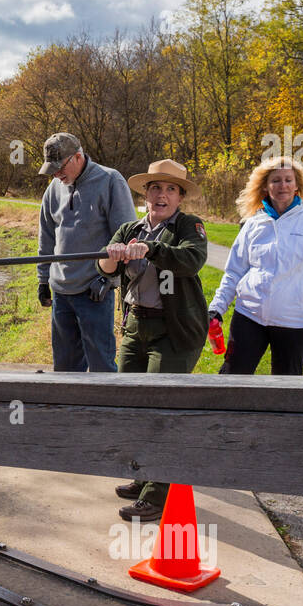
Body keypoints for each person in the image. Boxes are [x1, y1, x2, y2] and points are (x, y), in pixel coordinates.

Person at [97, 159, 209, 521]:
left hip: (173, 332)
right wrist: (112, 257)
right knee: (132, 405)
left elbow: (191, 261)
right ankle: (143, 477)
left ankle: (157, 497)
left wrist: (152, 250)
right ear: (146, 194)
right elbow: (104, 267)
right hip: (135, 328)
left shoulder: (189, 226)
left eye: (170, 189)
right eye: (155, 188)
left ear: (179, 198)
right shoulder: (130, 228)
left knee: (161, 411)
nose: (161, 195)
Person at [209, 156, 303, 376]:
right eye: (276, 180)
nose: (283, 185)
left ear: (297, 185)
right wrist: (217, 308)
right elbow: (234, 271)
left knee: (286, 386)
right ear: (265, 186)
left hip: (295, 320)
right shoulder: (253, 223)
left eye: (288, 180)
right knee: (232, 376)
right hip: (249, 315)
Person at [37, 132, 136, 373]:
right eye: (52, 170)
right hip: (61, 291)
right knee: (65, 367)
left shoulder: (110, 181)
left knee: (101, 365)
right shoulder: (54, 189)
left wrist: (107, 278)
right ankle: (70, 411)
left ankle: (105, 411)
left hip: (94, 292)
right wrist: (43, 280)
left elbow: (125, 237)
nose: (56, 175)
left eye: (59, 168)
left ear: (78, 157)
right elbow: (47, 237)